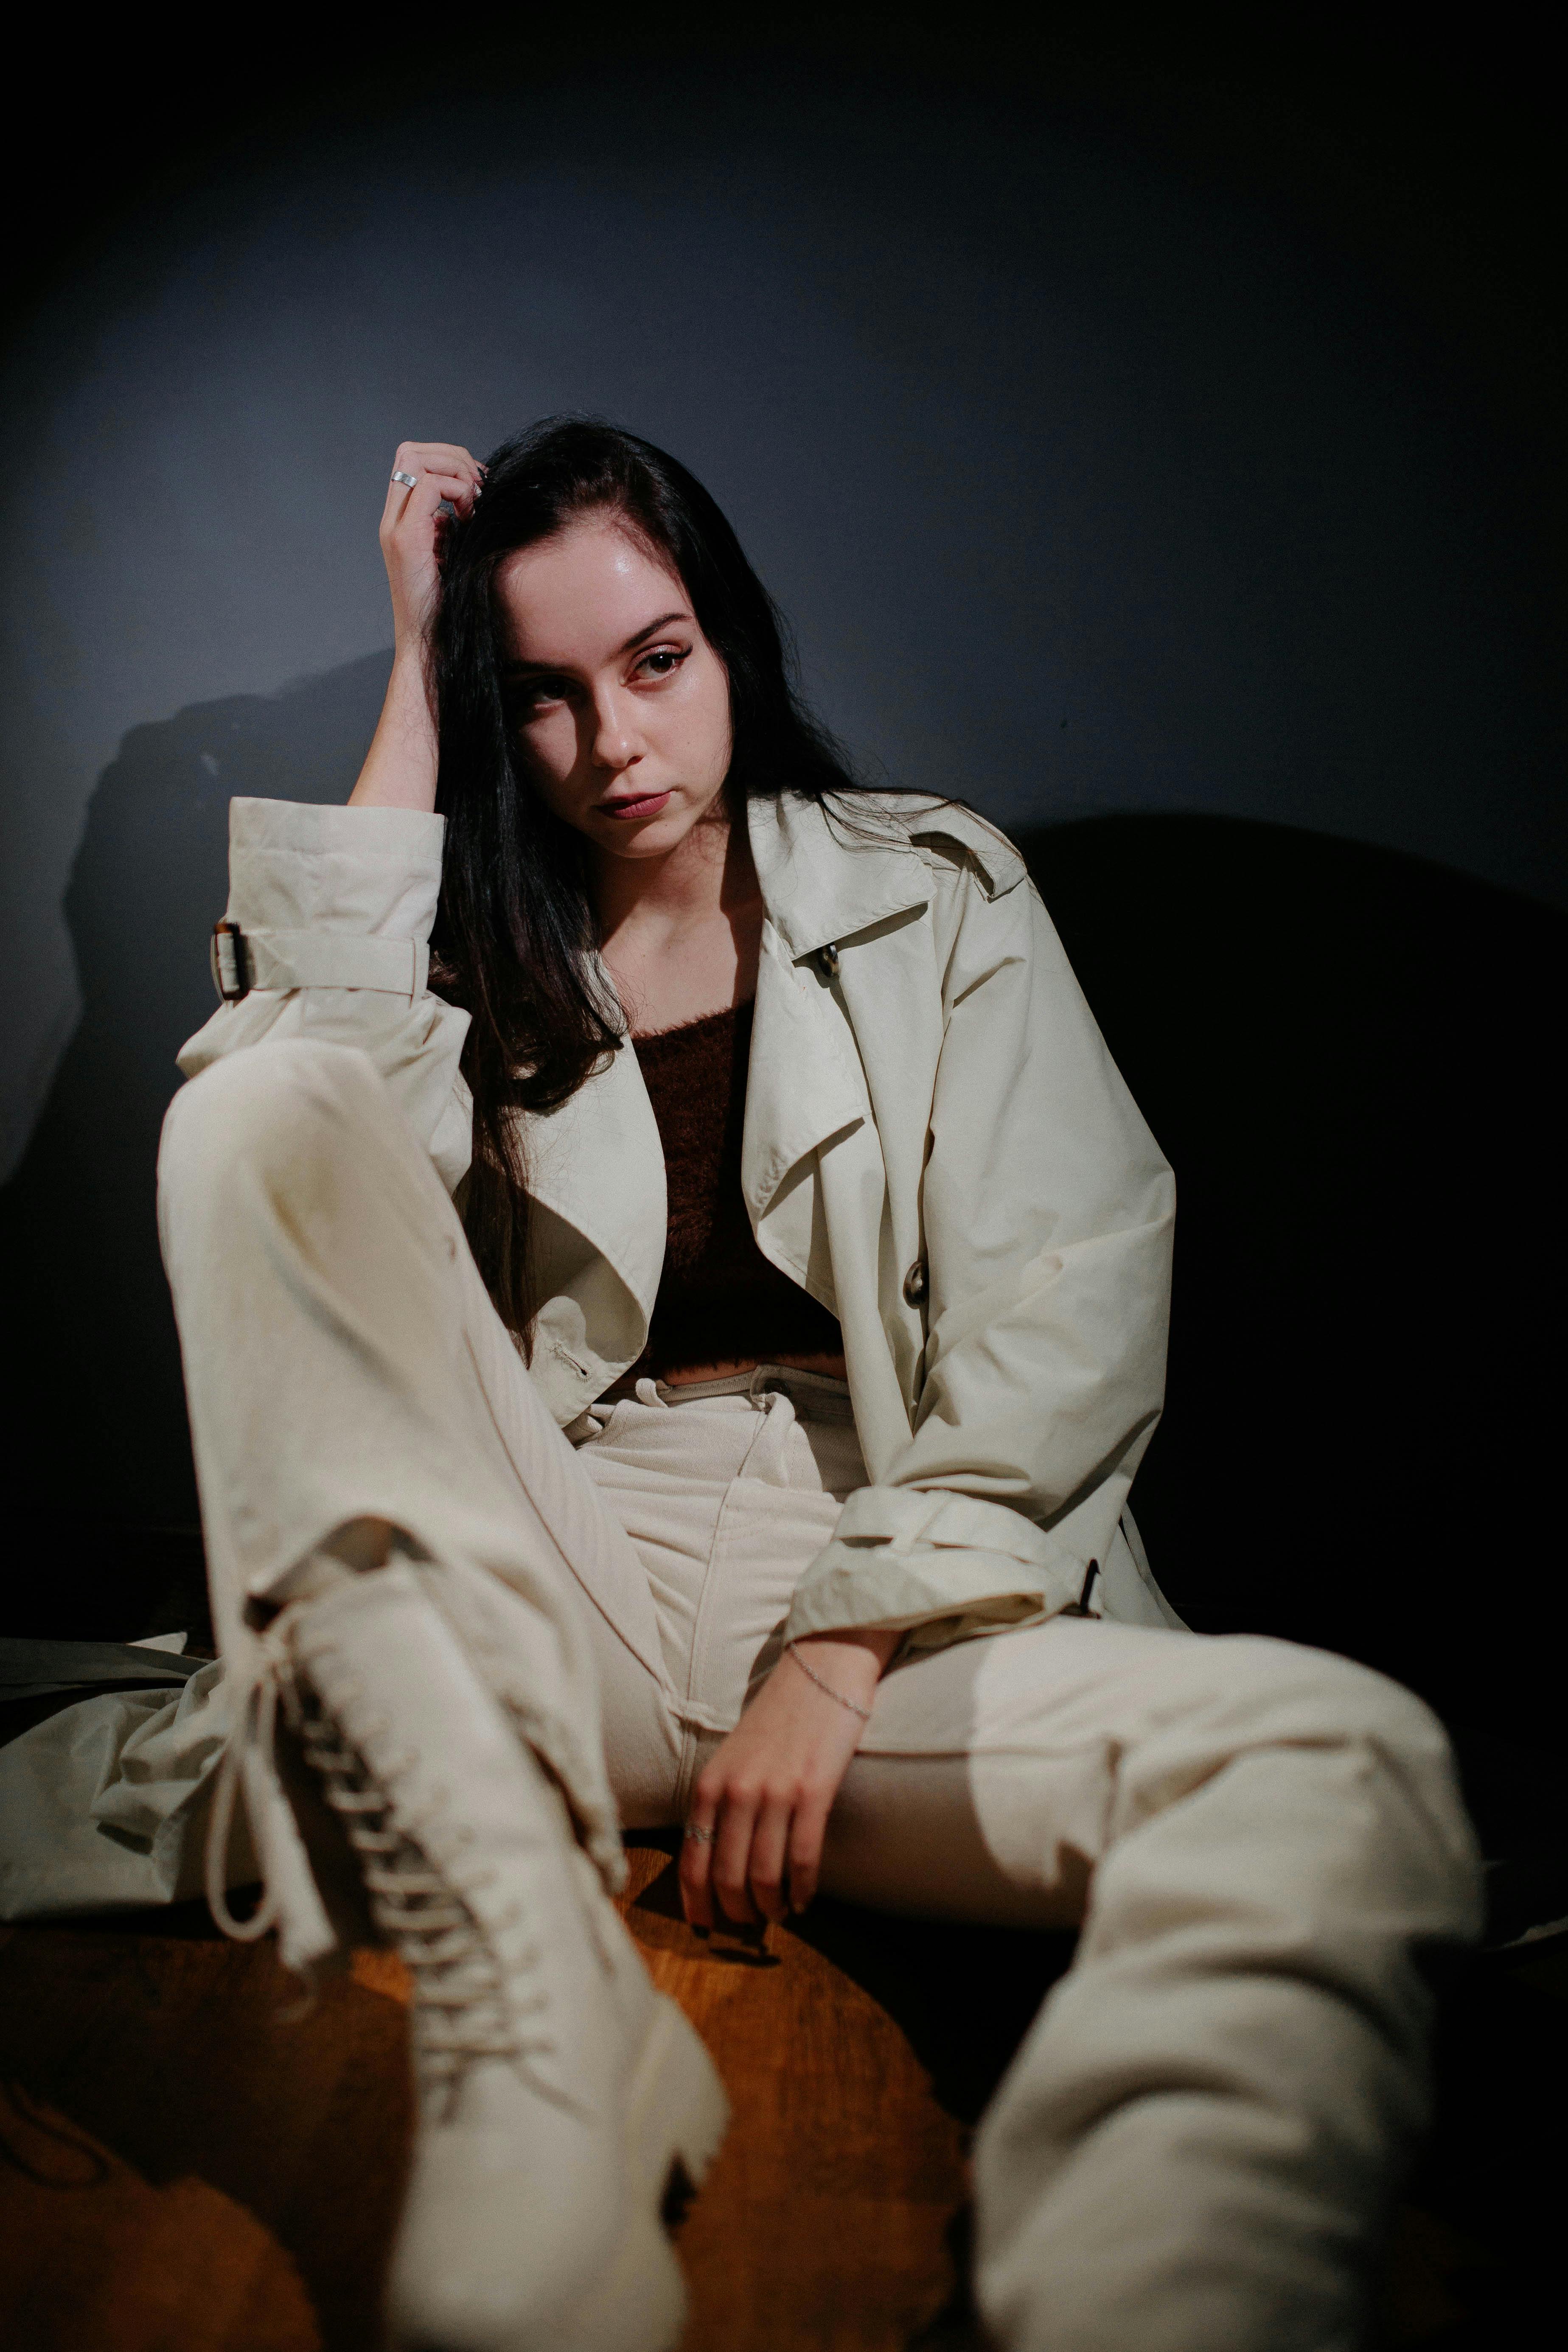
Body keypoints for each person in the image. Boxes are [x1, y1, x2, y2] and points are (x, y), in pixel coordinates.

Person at [156, 418, 1480, 2352]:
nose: (613, 744)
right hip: (564, 1573)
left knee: (1339, 1763)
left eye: (655, 661)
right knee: (262, 1099)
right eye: (540, 697)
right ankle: (544, 2030)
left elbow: (1067, 1302)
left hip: (896, 1575)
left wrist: (838, 1651)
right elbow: (308, 1117)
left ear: (731, 641)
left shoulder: (932, 896)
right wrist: (417, 669)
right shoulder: (479, 951)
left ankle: (1161, 2293)